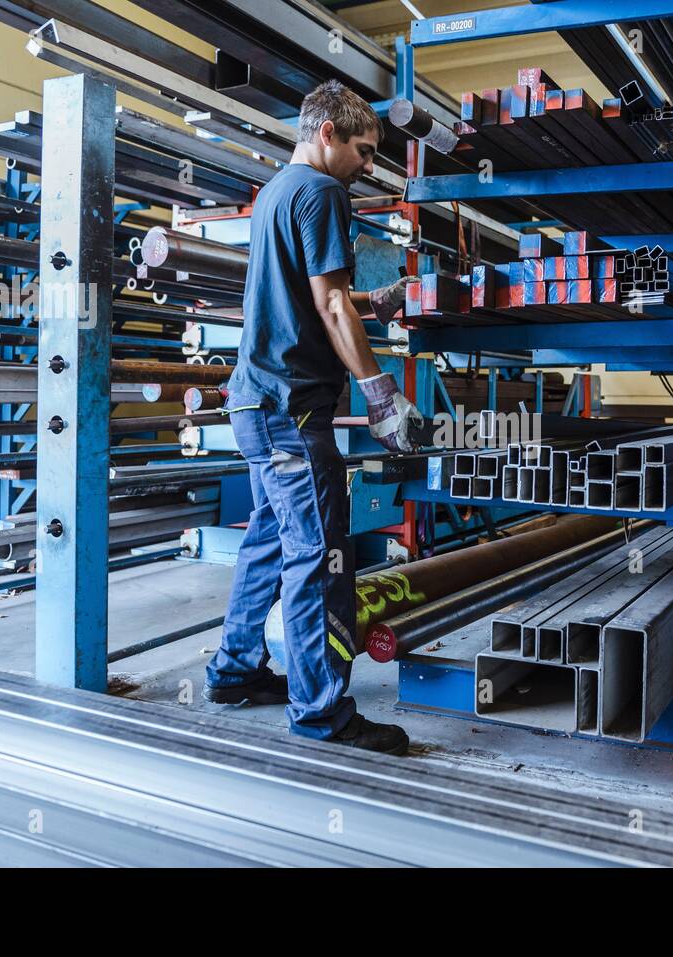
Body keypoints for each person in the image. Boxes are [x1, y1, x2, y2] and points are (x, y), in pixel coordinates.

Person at [203, 80, 422, 755]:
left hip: (254, 402)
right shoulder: (326, 194)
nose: (369, 166)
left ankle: (234, 672)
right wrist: (380, 391)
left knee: (269, 541)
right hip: (293, 409)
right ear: (327, 132)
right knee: (320, 555)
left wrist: (372, 301)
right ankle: (322, 711)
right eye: (363, 149)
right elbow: (329, 312)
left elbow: (321, 293)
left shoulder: (276, 192)